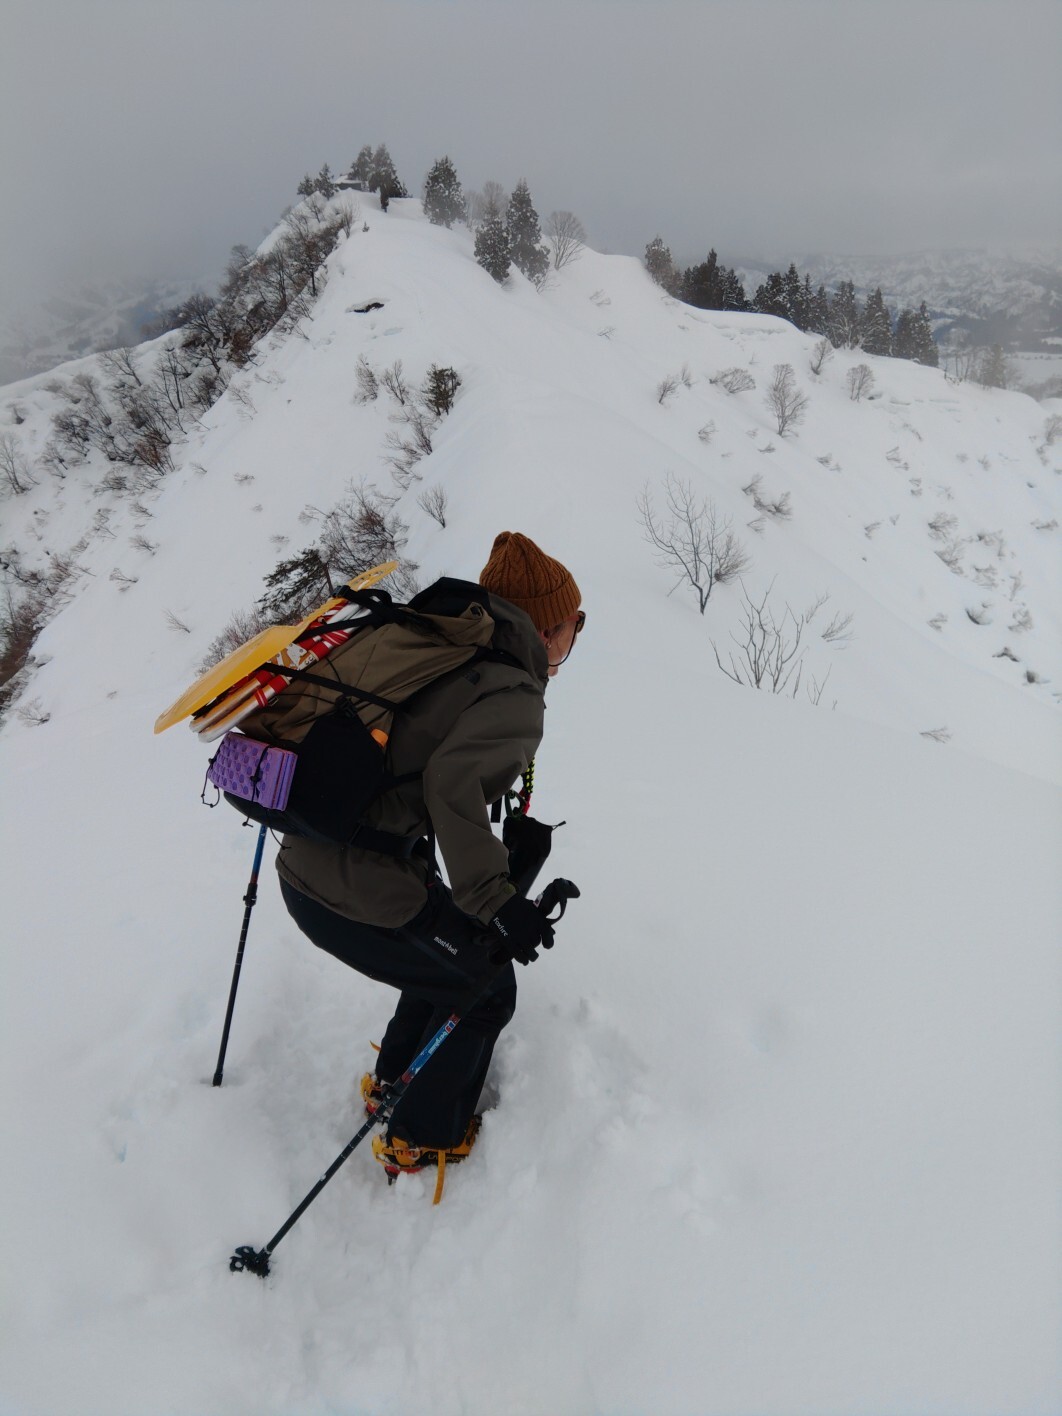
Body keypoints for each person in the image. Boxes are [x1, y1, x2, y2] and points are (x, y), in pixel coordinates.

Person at [276, 531, 584, 1194]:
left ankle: (391, 1080)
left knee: (450, 950)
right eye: (573, 624)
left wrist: (503, 875)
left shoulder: (437, 642)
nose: (573, 639)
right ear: (547, 628)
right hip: (353, 888)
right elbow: (450, 787)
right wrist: (501, 904)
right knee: (483, 989)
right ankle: (420, 1136)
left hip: (306, 860)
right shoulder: (512, 695)